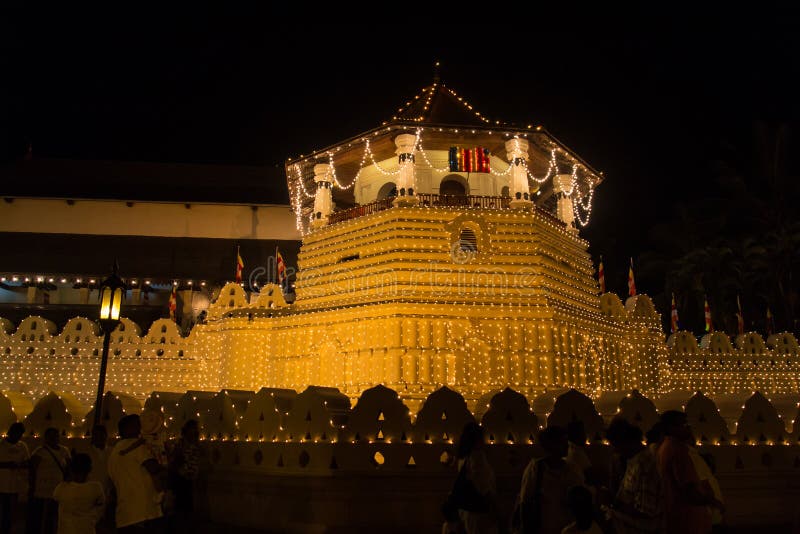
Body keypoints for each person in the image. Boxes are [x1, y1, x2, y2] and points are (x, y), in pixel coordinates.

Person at [657, 410, 722, 534]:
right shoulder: (678, 451)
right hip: (688, 518)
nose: (687, 429)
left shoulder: (666, 447)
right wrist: (713, 502)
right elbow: (688, 489)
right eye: (683, 425)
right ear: (671, 428)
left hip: (676, 515)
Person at [518, 426, 584, 534]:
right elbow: (525, 502)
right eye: (563, 442)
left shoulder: (572, 469)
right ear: (552, 445)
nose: (567, 446)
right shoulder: (536, 468)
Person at [604, 418, 662, 533]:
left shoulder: (645, 466)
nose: (616, 451)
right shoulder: (634, 461)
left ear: (628, 442)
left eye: (617, 445)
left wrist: (613, 503)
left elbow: (645, 511)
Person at [107, 415, 164, 533]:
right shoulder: (138, 447)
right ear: (128, 428)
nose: (140, 428)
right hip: (144, 513)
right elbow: (154, 468)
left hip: (124, 514)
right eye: (136, 424)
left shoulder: (114, 451)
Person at [442, 422, 499, 534]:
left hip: (465, 512)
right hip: (478, 513)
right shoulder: (477, 458)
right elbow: (484, 488)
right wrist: (496, 511)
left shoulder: (463, 458)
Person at [28, 427, 71, 534]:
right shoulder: (40, 451)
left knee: (54, 515)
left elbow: (69, 467)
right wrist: (32, 486)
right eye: (51, 435)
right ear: (46, 438)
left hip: (58, 487)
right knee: (40, 515)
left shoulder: (64, 450)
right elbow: (32, 469)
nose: (53, 438)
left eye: (55, 435)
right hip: (42, 488)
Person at [52, 453, 104, 534]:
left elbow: (55, 498)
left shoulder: (62, 488)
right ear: (89, 469)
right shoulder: (96, 487)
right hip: (87, 529)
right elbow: (101, 503)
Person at [167, 420, 201, 531]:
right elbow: (175, 459)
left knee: (186, 505)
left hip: (187, 477)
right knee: (180, 505)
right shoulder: (180, 444)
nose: (194, 433)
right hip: (179, 476)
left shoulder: (194, 445)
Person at [0, 423, 29, 534]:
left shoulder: (22, 446)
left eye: (20, 434)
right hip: (1, 483)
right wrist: (7, 464)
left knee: (9, 511)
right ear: (10, 432)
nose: (18, 436)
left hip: (15, 485)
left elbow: (27, 461)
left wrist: (21, 465)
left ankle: (6, 529)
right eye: (16, 433)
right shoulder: (1, 445)